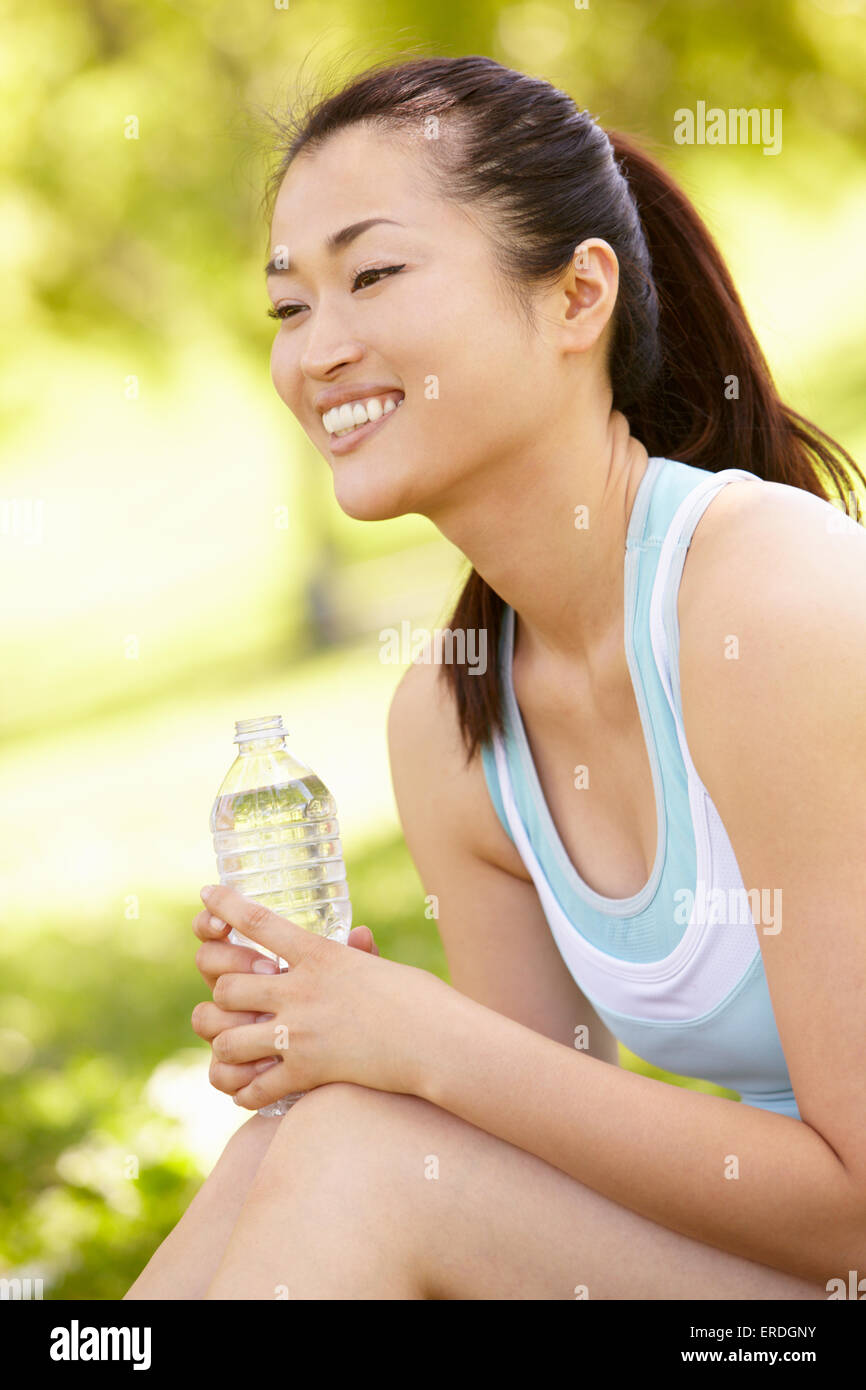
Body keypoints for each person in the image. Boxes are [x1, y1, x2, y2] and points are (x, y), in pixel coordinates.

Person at [125, 54, 866, 1301]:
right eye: (288, 307)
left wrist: (419, 1040)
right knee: (307, 1139)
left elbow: (848, 1207)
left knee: (361, 1153)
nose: (319, 350)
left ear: (577, 294)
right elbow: (515, 1147)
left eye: (371, 275)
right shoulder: (453, 720)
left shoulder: (768, 598)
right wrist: (351, 1043)